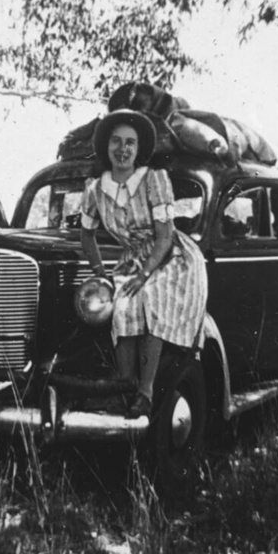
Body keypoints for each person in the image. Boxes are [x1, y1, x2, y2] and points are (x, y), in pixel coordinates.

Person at [80, 109, 208, 418]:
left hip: (172, 258)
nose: (122, 150)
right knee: (121, 307)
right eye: (116, 142)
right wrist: (101, 275)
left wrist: (145, 273)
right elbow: (87, 236)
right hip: (132, 259)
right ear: (106, 146)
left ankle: (146, 392)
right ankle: (125, 388)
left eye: (130, 143)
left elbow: (164, 236)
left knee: (152, 298)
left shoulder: (154, 180)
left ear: (138, 150)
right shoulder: (95, 190)